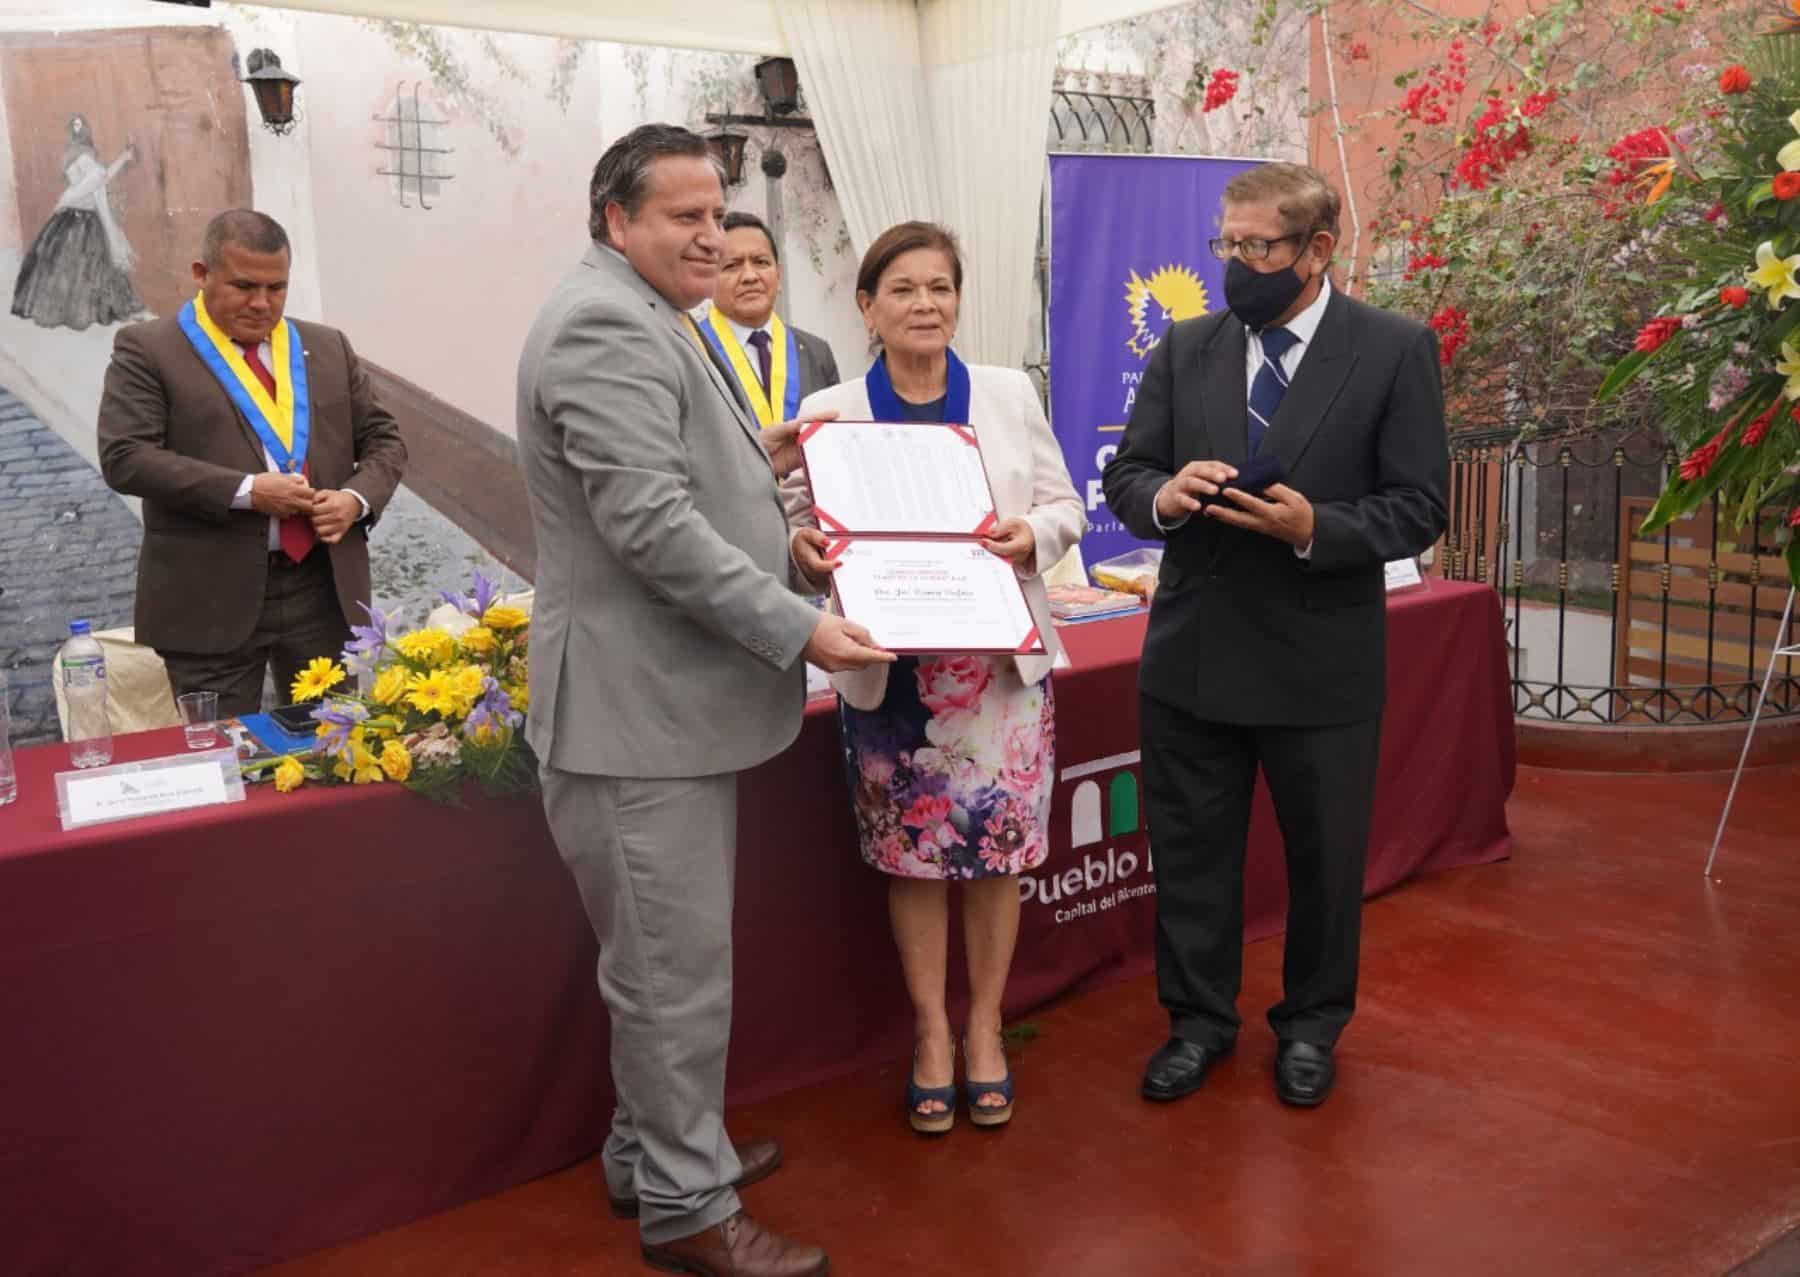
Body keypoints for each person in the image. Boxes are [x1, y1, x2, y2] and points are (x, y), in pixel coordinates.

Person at [515, 123, 889, 1277]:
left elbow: (678, 485)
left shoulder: (647, 316)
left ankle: (646, 1151)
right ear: (613, 220)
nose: (710, 233)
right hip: (635, 721)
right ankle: (687, 1206)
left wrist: (765, 485)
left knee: (665, 968)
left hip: (661, 710)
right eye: (682, 214)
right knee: (674, 978)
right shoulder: (602, 324)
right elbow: (651, 531)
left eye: (716, 212)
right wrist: (804, 623)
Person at [1102, 163, 1448, 1109]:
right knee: (1191, 853)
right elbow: (1130, 471)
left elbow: (1419, 505)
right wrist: (1161, 498)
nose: (1237, 265)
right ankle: (1198, 1021)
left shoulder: (1392, 349)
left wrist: (1317, 531)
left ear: (1317, 250)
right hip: (1194, 655)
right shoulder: (1187, 348)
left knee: (1326, 862)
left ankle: (1310, 1026)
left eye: (1259, 247)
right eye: (1227, 245)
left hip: (1321, 660)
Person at [784, 222, 1086, 1136]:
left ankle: (986, 1027)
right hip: (892, 677)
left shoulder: (1003, 393)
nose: (927, 305)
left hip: (996, 672)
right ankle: (929, 1035)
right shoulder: (832, 410)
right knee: (912, 861)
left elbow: (1065, 504)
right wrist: (801, 555)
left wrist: (1032, 537)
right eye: (904, 290)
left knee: (996, 857)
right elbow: (802, 534)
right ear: (867, 308)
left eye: (941, 288)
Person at [97, 209, 407, 717]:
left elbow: (385, 440)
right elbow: (125, 458)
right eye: (244, 286)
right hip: (210, 596)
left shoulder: (326, 346)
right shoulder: (148, 350)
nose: (262, 304)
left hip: (321, 587)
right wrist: (248, 491)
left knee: (331, 751)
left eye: (276, 288)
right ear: (201, 274)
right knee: (223, 761)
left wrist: (355, 499)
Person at [699, 210, 840, 424]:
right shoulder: (693, 349)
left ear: (778, 275)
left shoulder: (817, 353)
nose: (749, 276)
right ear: (709, 279)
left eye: (761, 262)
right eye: (731, 265)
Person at [12, 114, 142, 331]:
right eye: (74, 126)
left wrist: (124, 158)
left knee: (90, 265)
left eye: (81, 125)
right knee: (72, 265)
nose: (78, 129)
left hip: (83, 217)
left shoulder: (83, 157)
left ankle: (89, 310)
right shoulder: (80, 157)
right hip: (76, 219)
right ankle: (72, 311)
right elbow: (96, 180)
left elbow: (100, 179)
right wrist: (124, 158)